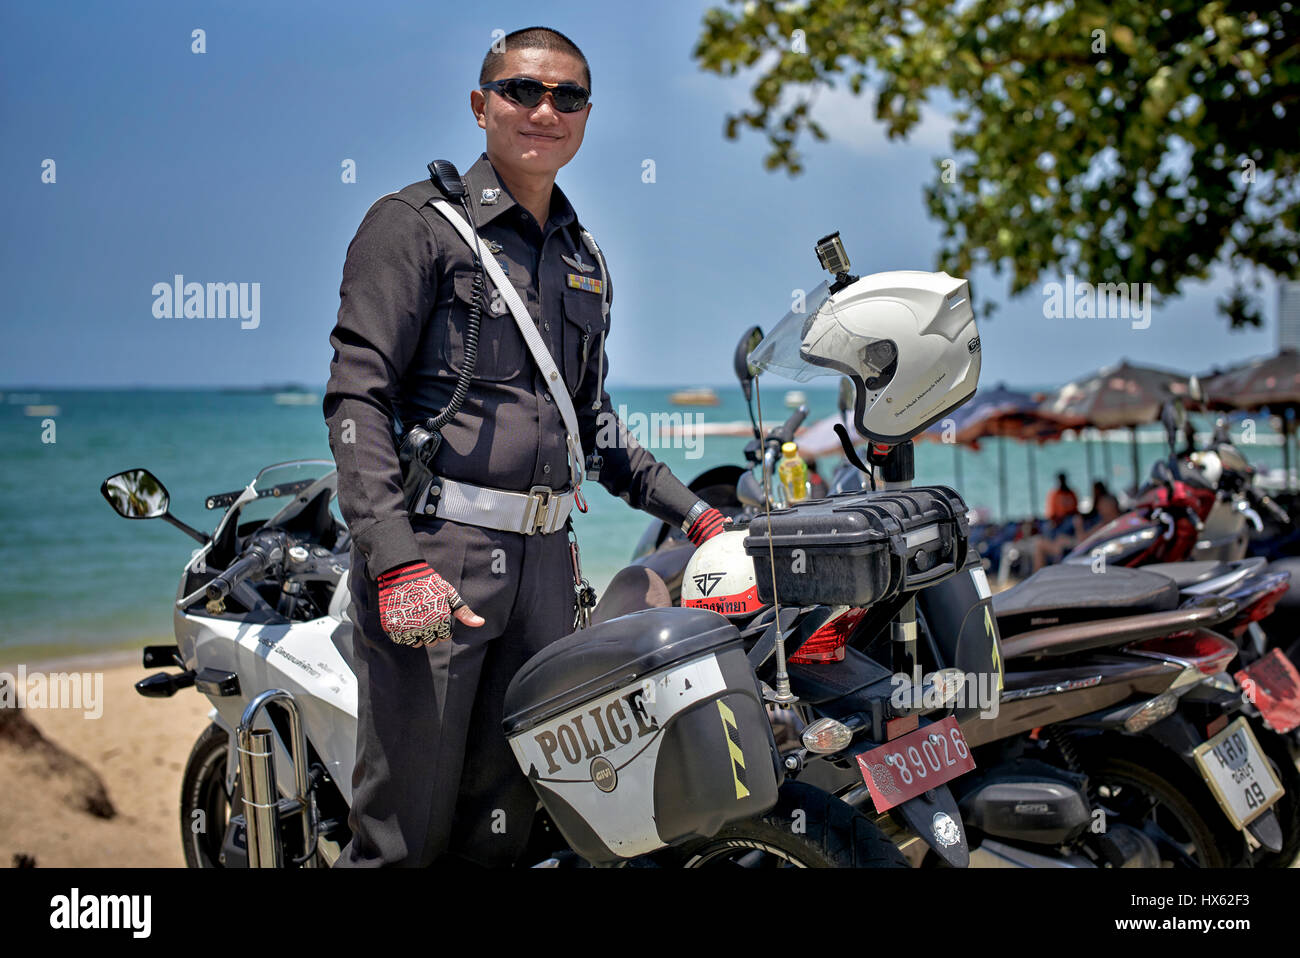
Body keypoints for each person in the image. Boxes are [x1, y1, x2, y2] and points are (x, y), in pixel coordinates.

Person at [322, 26, 729, 868]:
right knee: (404, 833)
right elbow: (356, 398)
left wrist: (700, 518)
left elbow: (596, 429)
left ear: (586, 117)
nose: (544, 110)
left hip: (545, 569)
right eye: (521, 91)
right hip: (439, 558)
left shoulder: (584, 258)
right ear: (481, 106)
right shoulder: (414, 226)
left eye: (567, 97)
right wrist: (394, 561)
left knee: (507, 831)